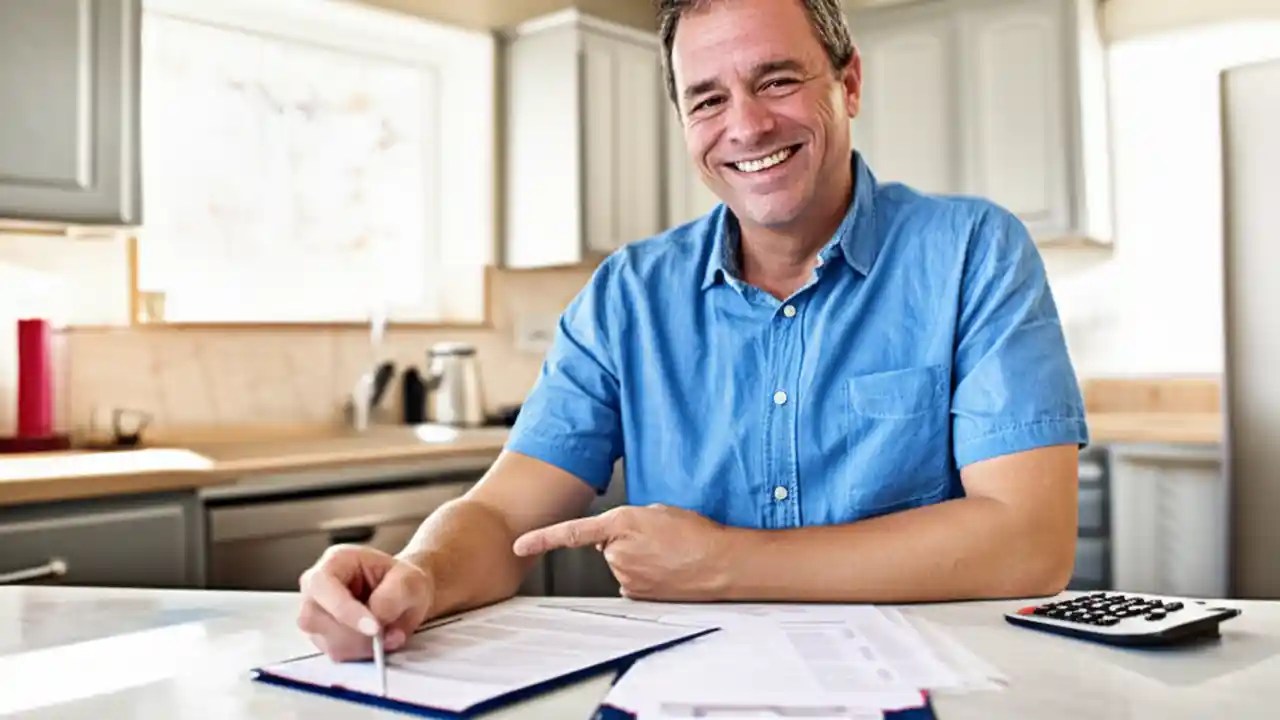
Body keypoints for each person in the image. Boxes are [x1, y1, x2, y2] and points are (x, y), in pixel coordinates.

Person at [296, 0, 1089, 661]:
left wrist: (728, 563)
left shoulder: (971, 251)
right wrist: (419, 574)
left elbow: (1029, 541)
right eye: (707, 100)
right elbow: (504, 515)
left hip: (934, 683)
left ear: (848, 83)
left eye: (777, 80)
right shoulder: (627, 296)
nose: (746, 125)